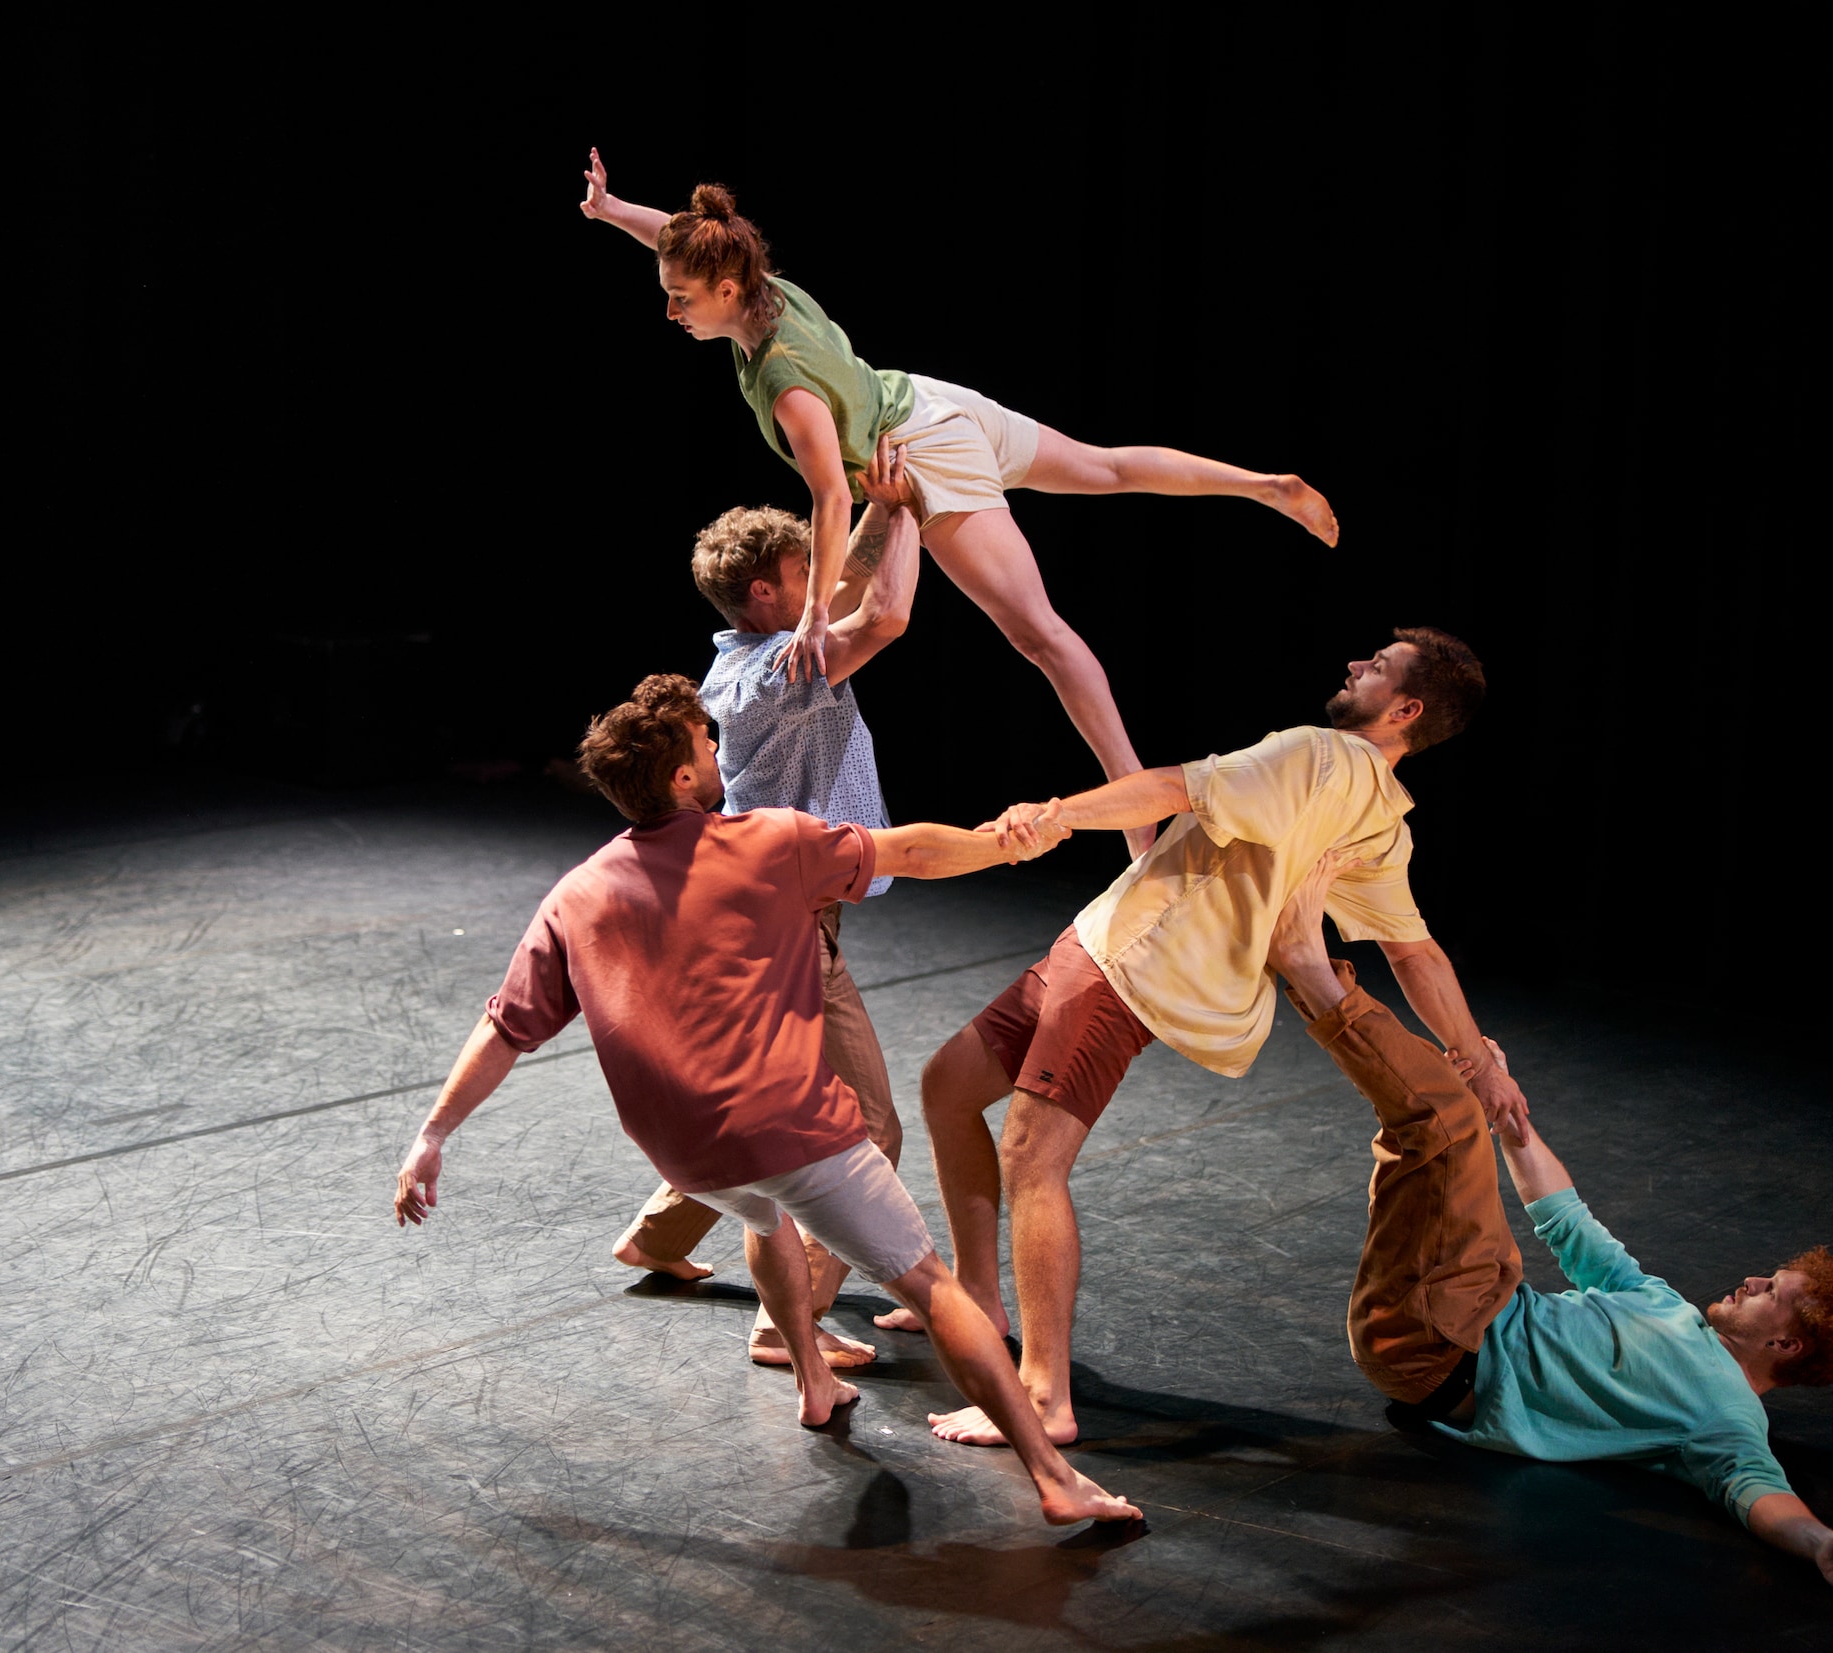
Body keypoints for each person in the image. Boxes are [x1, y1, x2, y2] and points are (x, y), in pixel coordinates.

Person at [392, 673, 1139, 1527]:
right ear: (681, 777)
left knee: (760, 1213)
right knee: (934, 1286)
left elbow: (506, 1028)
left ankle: (815, 1383)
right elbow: (914, 852)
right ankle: (1054, 1477)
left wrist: (431, 1134)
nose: (720, 754)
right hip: (792, 1132)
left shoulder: (577, 892)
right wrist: (1008, 843)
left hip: (684, 1155)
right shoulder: (769, 841)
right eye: (708, 746)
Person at [580, 150, 1338, 855]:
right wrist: (612, 209)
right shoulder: (766, 289)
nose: (672, 311)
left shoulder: (787, 387)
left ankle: (1136, 808)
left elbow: (834, 496)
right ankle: (1265, 485)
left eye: (680, 299)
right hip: (931, 398)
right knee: (1104, 469)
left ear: (725, 290)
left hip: (924, 452)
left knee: (1041, 635)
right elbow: (676, 239)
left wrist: (813, 612)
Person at [923, 628, 1522, 1449]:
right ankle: (981, 1298)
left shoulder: (1319, 754)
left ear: (1407, 709)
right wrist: (1479, 1060)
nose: (1354, 664)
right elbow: (1413, 953)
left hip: (1127, 963)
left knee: (1034, 1156)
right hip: (1103, 942)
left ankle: (1043, 1394)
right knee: (948, 1084)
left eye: (1378, 667)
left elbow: (1177, 787)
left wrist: (1057, 816)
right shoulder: (1382, 815)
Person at [1263, 852, 1833, 1601]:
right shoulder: (1664, 1304)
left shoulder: (1725, 1417)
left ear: (1784, 1343)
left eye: (1770, 1291)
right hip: (1480, 1296)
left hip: (1448, 1346)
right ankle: (1301, 968)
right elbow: (1567, 1219)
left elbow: (1759, 1496)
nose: (1753, 1278)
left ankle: (1303, 960)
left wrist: (1821, 1540)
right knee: (1440, 1123)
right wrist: (1509, 1114)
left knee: (1439, 1115)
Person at [610, 440, 931, 1367]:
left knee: (752, 1105)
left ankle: (657, 1238)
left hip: (770, 907)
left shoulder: (757, 655)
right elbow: (891, 613)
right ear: (764, 594)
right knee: (866, 1124)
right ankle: (787, 1326)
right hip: (788, 918)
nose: (817, 580)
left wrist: (877, 503)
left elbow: (855, 576)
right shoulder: (778, 673)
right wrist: (912, 508)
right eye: (802, 573)